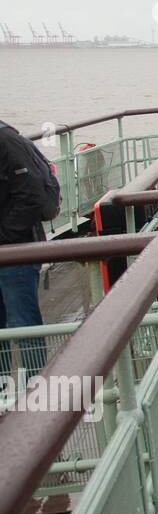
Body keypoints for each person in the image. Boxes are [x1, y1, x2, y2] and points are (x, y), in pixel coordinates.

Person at [0, 119, 51, 377]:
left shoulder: (7, 142)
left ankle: (37, 392)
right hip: (9, 247)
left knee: (23, 325)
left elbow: (32, 197)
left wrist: (3, 234)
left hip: (17, 252)